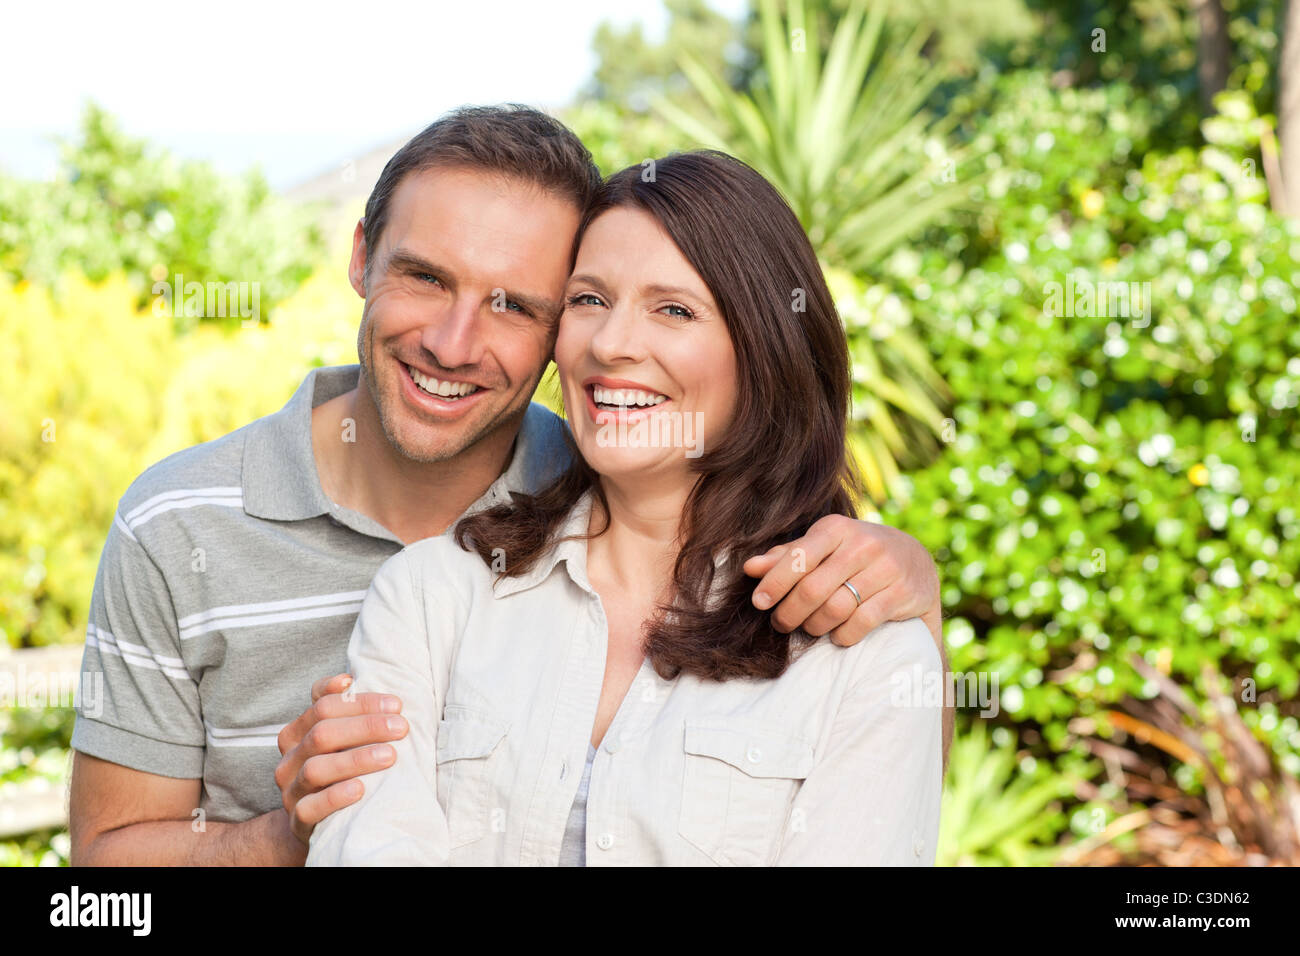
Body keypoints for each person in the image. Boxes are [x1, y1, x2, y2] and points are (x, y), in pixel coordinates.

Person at [68, 106, 950, 866]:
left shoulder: (605, 470)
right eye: (425, 276)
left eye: (516, 304)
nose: (453, 344)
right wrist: (291, 834)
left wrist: (914, 596)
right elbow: (107, 878)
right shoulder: (186, 526)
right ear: (362, 258)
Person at [307, 150, 944, 867]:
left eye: (673, 310)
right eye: (589, 300)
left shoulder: (870, 659)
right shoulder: (430, 599)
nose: (611, 344)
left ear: (767, 347)